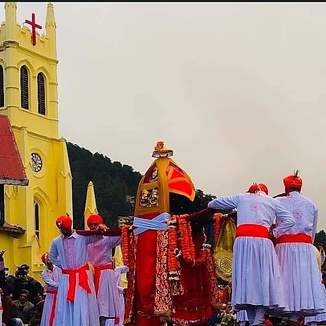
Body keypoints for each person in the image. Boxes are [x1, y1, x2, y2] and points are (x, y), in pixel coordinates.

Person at [208, 183, 295, 325]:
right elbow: (290, 220)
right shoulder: (272, 201)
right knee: (262, 277)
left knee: (246, 277)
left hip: (243, 242)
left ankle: (254, 319)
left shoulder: (242, 197)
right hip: (262, 243)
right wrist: (275, 232)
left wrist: (210, 204)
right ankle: (258, 319)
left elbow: (215, 203)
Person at [275, 172, 326, 322]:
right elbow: (313, 231)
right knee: (300, 286)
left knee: (285, 285)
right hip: (304, 248)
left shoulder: (278, 202)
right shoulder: (311, 204)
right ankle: (294, 318)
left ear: (286, 187)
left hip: (284, 248)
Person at [49, 214, 108, 326]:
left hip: (82, 276)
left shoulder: (82, 237)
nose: (64, 232)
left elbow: (99, 237)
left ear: (70, 226)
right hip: (67, 277)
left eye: (66, 229)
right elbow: (52, 257)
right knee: (66, 304)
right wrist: (64, 266)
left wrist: (100, 228)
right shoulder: (56, 241)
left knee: (83, 303)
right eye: (62, 230)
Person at [86, 214, 121, 326]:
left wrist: (107, 230)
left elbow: (122, 236)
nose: (93, 227)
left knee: (105, 306)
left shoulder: (108, 238)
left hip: (105, 276)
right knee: (92, 306)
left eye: (95, 224)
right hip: (91, 275)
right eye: (91, 225)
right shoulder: (86, 240)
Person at [40, 252, 61, 326]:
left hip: (60, 296)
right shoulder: (44, 273)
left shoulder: (59, 269)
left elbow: (63, 279)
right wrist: (63, 285)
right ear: (44, 262)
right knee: (49, 312)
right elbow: (51, 283)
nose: (49, 261)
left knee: (60, 312)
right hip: (50, 296)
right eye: (47, 260)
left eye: (50, 259)